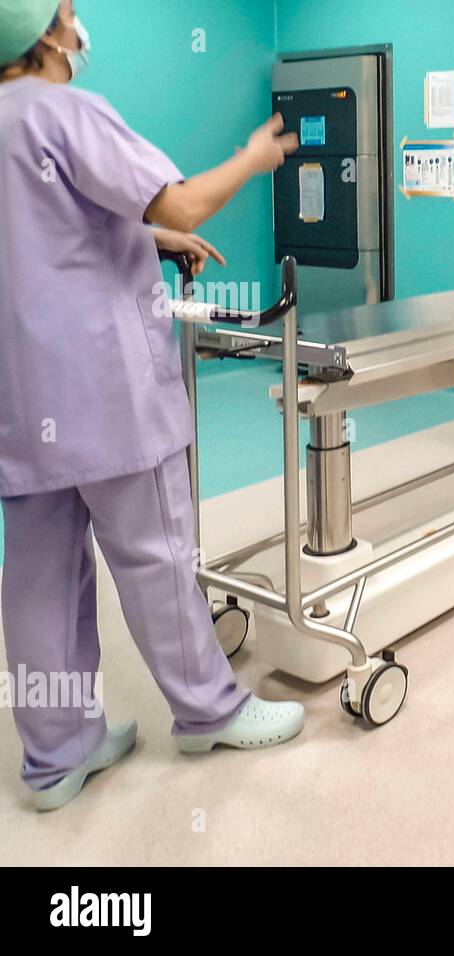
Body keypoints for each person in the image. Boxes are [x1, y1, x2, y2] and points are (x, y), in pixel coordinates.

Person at [0, 0, 306, 811]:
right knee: (155, 555)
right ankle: (209, 710)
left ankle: (57, 754)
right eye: (67, 11)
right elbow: (178, 202)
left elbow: (43, 234)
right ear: (47, 32)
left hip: (21, 402)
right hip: (104, 394)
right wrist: (250, 158)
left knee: (37, 579)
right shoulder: (65, 111)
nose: (77, 24)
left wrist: (149, 239)